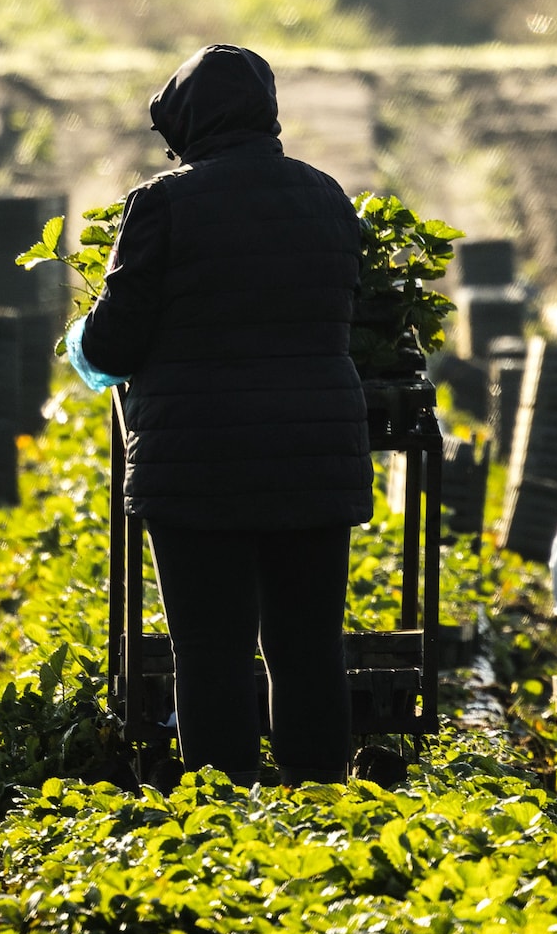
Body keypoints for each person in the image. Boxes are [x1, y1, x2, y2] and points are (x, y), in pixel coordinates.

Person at [69, 44, 372, 783]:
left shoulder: (162, 203)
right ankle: (321, 801)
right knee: (307, 644)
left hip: (199, 466)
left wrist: (80, 340)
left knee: (211, 647)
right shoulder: (326, 196)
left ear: (188, 124)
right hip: (314, 457)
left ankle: (222, 810)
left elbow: (115, 341)